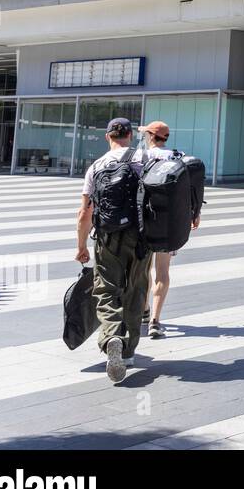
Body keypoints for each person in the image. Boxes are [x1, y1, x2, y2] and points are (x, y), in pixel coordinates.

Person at [74, 117, 149, 384]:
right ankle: (128, 352)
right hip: (140, 238)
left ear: (108, 137)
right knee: (136, 289)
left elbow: (85, 212)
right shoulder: (145, 159)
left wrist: (81, 246)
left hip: (107, 236)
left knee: (106, 289)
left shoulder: (96, 166)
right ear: (130, 135)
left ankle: (112, 336)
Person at [133, 120, 201, 340]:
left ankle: (144, 310)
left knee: (143, 270)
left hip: (144, 222)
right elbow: (189, 189)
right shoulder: (177, 156)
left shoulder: (140, 157)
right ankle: (155, 320)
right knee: (162, 272)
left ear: (151, 136)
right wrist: (195, 213)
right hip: (169, 223)